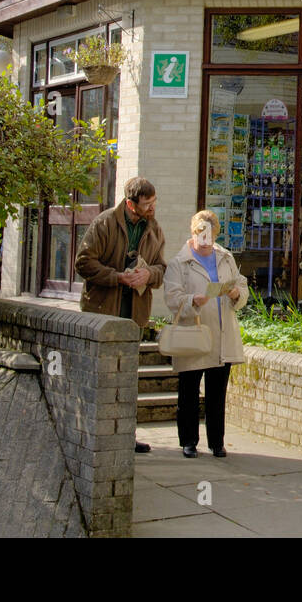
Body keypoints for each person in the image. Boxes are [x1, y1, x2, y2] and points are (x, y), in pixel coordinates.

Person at [75, 176, 166, 453]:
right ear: (130, 203)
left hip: (134, 315)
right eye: (147, 204)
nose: (152, 208)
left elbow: (162, 269)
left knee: (127, 378)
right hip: (103, 312)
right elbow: (83, 263)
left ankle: (126, 433)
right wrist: (117, 278)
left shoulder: (154, 229)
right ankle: (90, 434)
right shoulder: (104, 223)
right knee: (100, 376)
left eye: (154, 203)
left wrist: (148, 274)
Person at [163, 210, 248, 458]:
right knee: (189, 389)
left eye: (210, 237)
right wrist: (192, 300)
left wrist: (236, 295)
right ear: (193, 233)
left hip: (222, 334)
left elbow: (240, 285)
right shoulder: (181, 262)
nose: (205, 241)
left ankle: (216, 442)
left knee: (217, 391)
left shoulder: (225, 257)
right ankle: (188, 440)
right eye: (201, 236)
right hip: (193, 333)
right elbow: (172, 297)